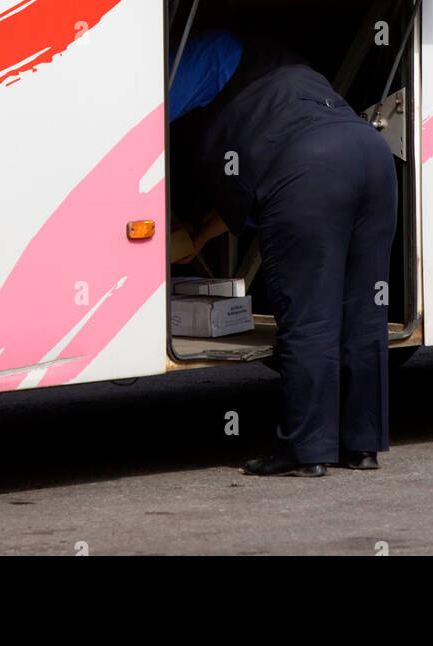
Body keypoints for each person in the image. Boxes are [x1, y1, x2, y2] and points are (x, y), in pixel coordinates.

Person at [168, 28, 398, 478]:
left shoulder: (204, 52)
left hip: (309, 169)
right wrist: (197, 236)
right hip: (371, 158)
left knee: (310, 317)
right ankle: (362, 443)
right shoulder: (293, 66)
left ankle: (306, 451)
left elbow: (143, 121)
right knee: (365, 311)